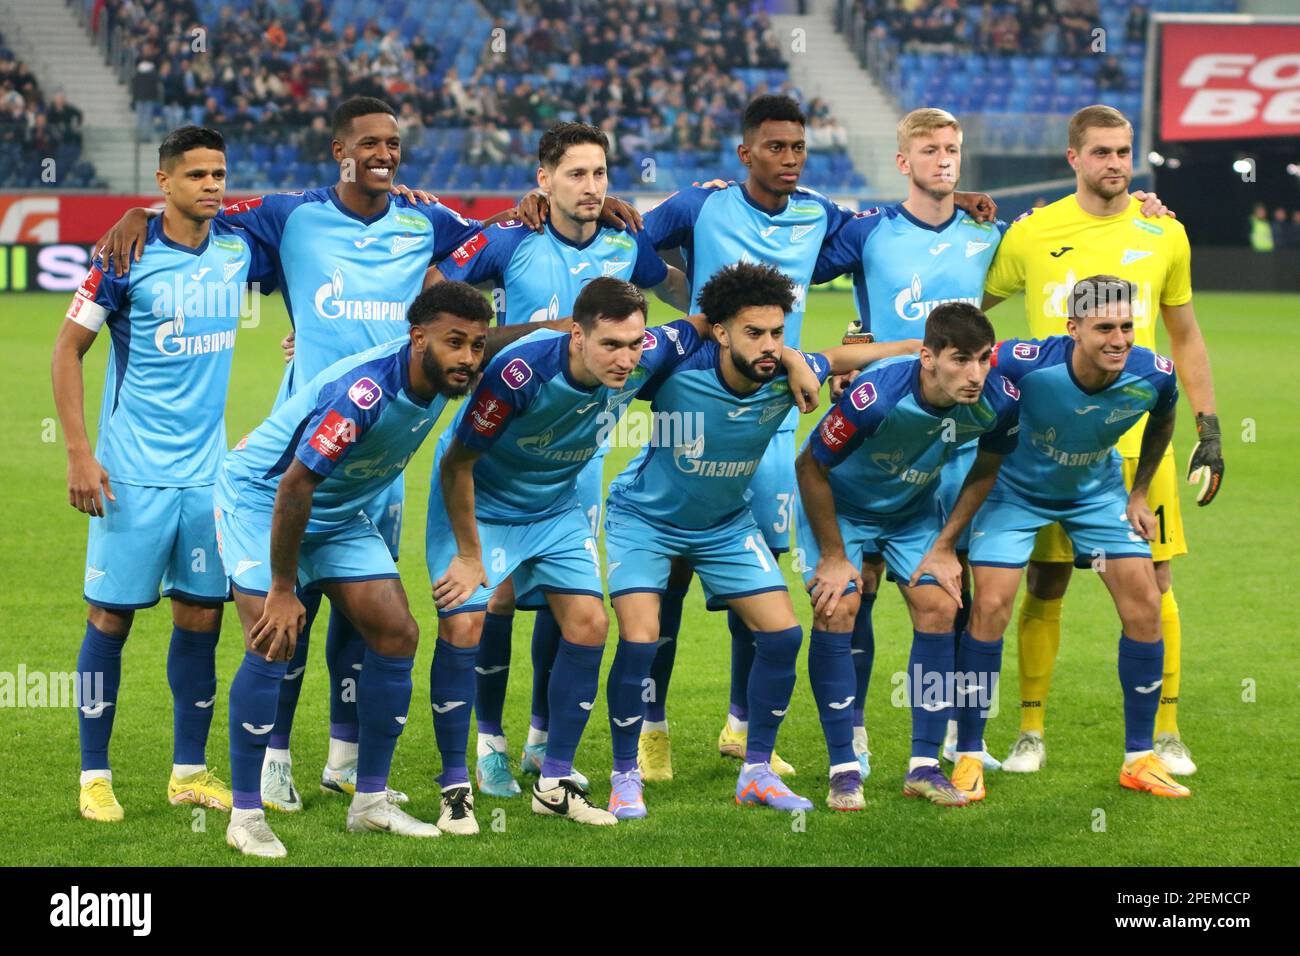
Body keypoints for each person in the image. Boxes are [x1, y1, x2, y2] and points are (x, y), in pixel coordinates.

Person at [636, 93, 997, 781]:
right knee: (671, 575)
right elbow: (632, 246)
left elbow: (895, 231)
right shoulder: (699, 204)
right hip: (694, 407)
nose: (790, 158)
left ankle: (742, 725)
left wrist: (958, 193)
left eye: (798, 147)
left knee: (762, 574)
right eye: (775, 147)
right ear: (745, 154)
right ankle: (653, 727)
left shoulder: (821, 216)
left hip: (776, 418)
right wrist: (691, 307)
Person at [424, 277, 822, 829]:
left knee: (588, 624)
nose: (626, 359)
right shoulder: (520, 377)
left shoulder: (648, 354)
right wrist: (469, 558)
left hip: (555, 504)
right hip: (482, 503)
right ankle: (455, 786)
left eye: (634, 344)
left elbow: (715, 322)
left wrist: (796, 359)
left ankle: (554, 780)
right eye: (610, 345)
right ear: (577, 337)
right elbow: (457, 463)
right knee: (466, 625)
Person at [215, 281, 519, 856]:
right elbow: (295, 485)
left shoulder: (451, 368)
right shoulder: (366, 392)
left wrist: (569, 326)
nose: (469, 359)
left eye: (477, 347)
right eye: (456, 343)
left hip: (338, 507)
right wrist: (284, 588)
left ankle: (369, 803)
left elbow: (504, 337)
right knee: (270, 642)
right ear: (417, 338)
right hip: (263, 501)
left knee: (398, 634)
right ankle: (246, 814)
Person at [430, 121, 688, 798]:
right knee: (500, 598)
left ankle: (545, 734)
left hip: (576, 459)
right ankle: (488, 739)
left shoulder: (627, 243)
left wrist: (682, 234)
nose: (591, 187)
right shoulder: (509, 237)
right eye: (575, 174)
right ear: (542, 181)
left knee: (563, 604)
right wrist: (534, 333)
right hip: (498, 446)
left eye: (600, 174)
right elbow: (433, 306)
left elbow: (684, 298)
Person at [604, 262, 916, 815]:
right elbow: (615, 359)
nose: (769, 345)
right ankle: (625, 772)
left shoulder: (786, 372)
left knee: (782, 636)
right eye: (754, 333)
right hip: (645, 519)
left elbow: (850, 358)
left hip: (725, 524)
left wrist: (924, 347)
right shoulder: (674, 367)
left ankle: (755, 769)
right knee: (641, 637)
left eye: (777, 333)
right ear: (721, 331)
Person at [983, 104, 1222, 777]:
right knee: (1048, 576)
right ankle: (1030, 732)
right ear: (1074, 158)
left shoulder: (1163, 232)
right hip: (1051, 443)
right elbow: (971, 305)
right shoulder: (1033, 234)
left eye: (1124, 152)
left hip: (1139, 434)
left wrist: (1209, 428)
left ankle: (1164, 732)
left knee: (1156, 577)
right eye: (1102, 153)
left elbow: (1185, 336)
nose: (1115, 164)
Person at [52, 125, 275, 823]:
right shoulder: (125, 256)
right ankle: (94, 774)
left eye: (219, 174)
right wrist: (79, 454)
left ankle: (188, 771)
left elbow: (312, 214)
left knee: (199, 617)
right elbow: (66, 351)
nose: (212, 185)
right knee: (110, 618)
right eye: (197, 175)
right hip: (131, 476)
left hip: (208, 481)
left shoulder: (240, 248)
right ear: (164, 182)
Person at [964, 276, 1188, 801]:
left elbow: (1164, 419)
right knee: (990, 608)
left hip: (1095, 496)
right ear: (1073, 329)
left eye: (1127, 327)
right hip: (1013, 494)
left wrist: (1137, 493)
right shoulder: (1023, 361)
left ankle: (1139, 758)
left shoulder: (1152, 374)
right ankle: (968, 754)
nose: (1119, 339)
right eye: (1104, 327)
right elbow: (954, 360)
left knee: (1145, 608)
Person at [795, 302, 1020, 807]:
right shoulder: (876, 400)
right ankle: (843, 768)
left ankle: (923, 765)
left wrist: (945, 547)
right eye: (961, 359)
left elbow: (988, 467)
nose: (975, 373)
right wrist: (834, 554)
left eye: (983, 359)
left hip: (912, 512)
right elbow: (809, 467)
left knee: (941, 604)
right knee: (839, 607)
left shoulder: (999, 401)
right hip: (841, 509)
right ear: (927, 357)